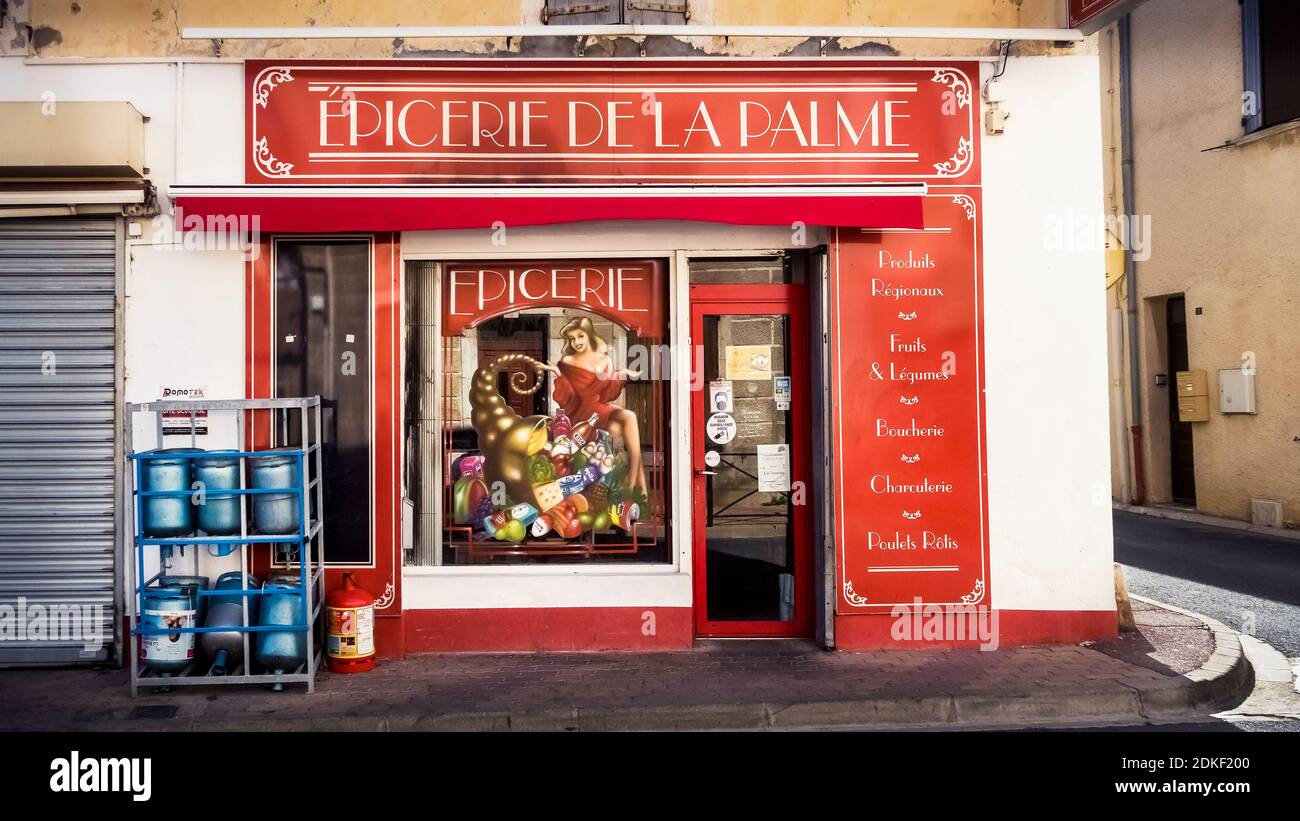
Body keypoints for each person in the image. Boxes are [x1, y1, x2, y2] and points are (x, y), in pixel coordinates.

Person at [538, 316, 648, 495]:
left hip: (599, 408)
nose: (576, 342)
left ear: (588, 335)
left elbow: (608, 394)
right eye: (572, 339)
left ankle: (636, 482)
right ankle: (637, 486)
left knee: (630, 418)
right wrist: (559, 375)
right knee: (628, 419)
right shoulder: (566, 362)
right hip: (579, 412)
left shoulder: (604, 360)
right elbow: (567, 398)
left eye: (580, 336)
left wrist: (622, 373)